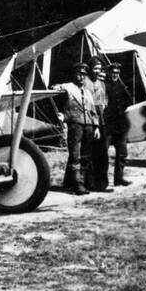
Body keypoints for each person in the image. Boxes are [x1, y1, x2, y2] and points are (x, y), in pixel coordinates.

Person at [59, 63, 96, 195]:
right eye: (79, 74)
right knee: (75, 155)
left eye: (84, 75)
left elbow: (93, 110)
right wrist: (62, 115)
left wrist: (95, 126)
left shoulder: (87, 91)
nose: (81, 77)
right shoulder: (68, 87)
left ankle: (78, 182)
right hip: (75, 124)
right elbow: (55, 90)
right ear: (74, 74)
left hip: (89, 125)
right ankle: (77, 185)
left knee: (86, 155)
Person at [105, 63, 133, 187]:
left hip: (121, 125)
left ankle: (119, 178)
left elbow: (129, 101)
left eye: (117, 73)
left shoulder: (122, 86)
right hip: (107, 125)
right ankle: (102, 181)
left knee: (122, 153)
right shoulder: (103, 86)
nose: (115, 75)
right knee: (103, 154)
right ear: (108, 73)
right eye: (113, 72)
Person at [86, 60, 110, 192]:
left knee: (102, 155)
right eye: (95, 68)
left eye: (99, 69)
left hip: (101, 122)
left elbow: (102, 103)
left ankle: (102, 184)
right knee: (90, 154)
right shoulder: (85, 83)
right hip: (91, 122)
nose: (97, 71)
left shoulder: (100, 83)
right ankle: (90, 183)